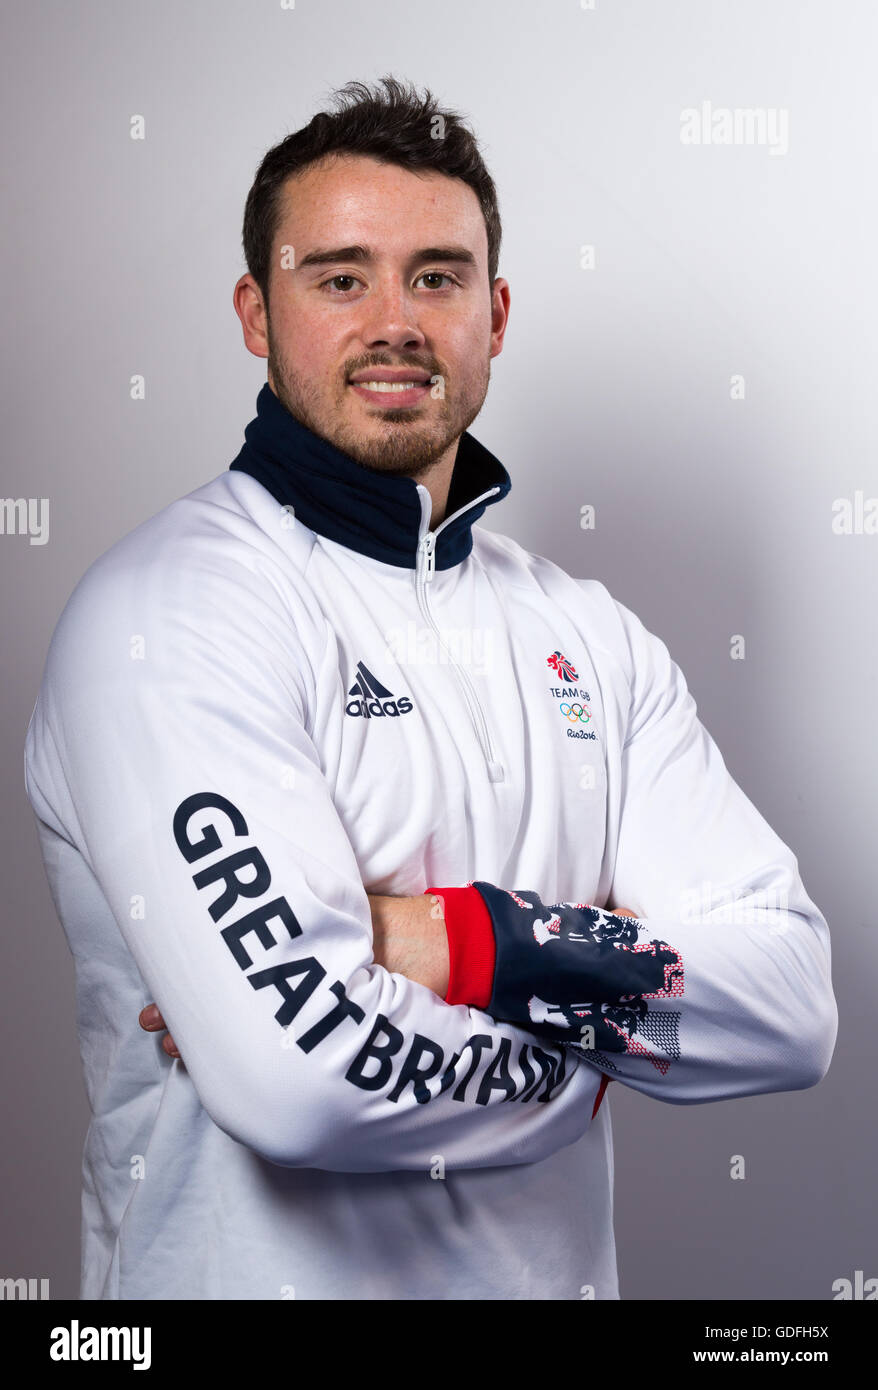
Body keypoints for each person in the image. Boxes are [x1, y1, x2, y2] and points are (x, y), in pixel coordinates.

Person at [23, 75, 837, 1301]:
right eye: (339, 277)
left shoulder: (589, 635)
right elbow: (299, 1084)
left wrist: (458, 944)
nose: (394, 320)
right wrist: (596, 1052)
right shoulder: (166, 614)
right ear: (257, 311)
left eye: (437, 276)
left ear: (494, 313)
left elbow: (786, 1010)